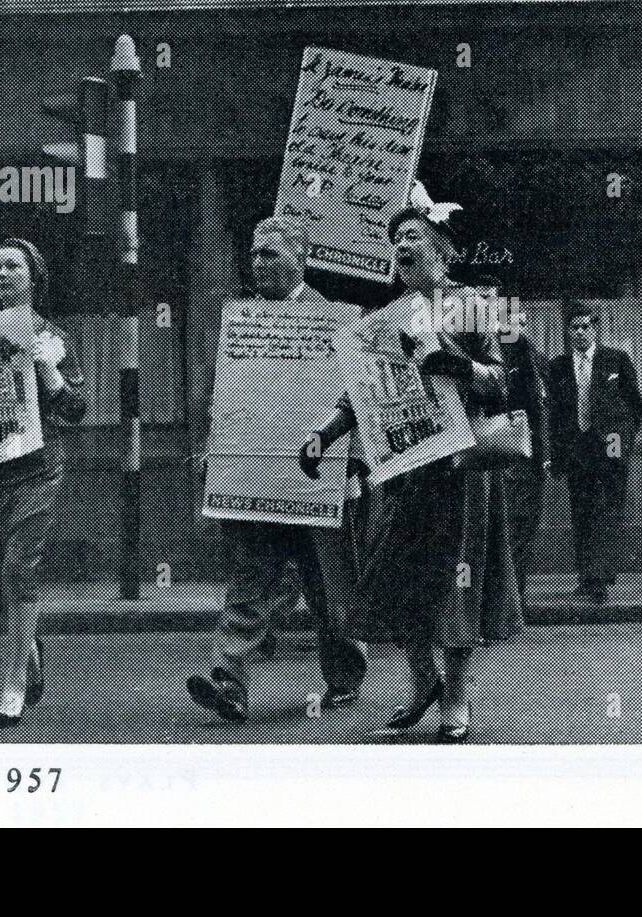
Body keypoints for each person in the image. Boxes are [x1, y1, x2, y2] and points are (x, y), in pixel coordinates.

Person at [301, 197, 523, 742]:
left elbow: (502, 381)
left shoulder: (469, 309)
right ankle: (423, 678)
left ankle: (457, 698)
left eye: (414, 238)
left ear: (443, 253)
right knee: (394, 579)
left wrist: (454, 362)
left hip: (462, 467)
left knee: (457, 584)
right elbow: (365, 396)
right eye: (396, 240)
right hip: (408, 471)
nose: (402, 247)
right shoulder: (385, 320)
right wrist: (324, 435)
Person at [187, 218, 368, 722]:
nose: (258, 263)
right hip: (252, 475)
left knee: (328, 592)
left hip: (319, 478)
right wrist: (213, 449)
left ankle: (344, 674)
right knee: (248, 583)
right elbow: (226, 398)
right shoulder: (241, 324)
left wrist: (351, 463)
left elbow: (358, 396)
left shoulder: (337, 321)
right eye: (254, 254)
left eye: (270, 254)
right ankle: (231, 680)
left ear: (301, 256)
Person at [0, 239, 87, 729]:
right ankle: (29, 651)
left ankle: (12, 687)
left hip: (37, 468)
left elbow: (76, 412)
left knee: (17, 568)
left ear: (33, 275)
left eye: (12, 266)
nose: (2, 274)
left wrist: (49, 368)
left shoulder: (50, 336)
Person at [549, 303, 642, 603]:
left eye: (585, 327)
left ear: (595, 329)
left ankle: (599, 576)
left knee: (607, 512)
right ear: (568, 331)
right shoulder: (559, 367)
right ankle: (588, 575)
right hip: (577, 452)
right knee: (582, 513)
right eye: (574, 328)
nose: (579, 333)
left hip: (610, 451)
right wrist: (557, 454)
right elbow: (554, 414)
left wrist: (621, 443)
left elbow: (635, 407)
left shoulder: (615, 360)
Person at [497, 304, 551, 610]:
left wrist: (546, 454)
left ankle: (515, 593)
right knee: (508, 528)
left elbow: (545, 411)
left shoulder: (536, 359)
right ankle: (507, 596)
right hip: (506, 455)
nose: (513, 327)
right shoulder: (497, 359)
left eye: (519, 321)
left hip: (531, 459)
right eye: (508, 322)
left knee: (523, 527)